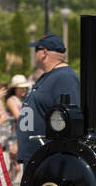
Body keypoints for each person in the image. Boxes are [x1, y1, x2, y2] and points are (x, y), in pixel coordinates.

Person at [17, 34, 82, 165]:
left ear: (44, 53)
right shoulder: (48, 75)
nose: (34, 55)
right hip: (34, 157)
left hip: (47, 159)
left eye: (36, 50)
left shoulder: (65, 77)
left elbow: (68, 122)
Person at [3, 74, 29, 178]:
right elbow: (18, 116)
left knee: (15, 166)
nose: (24, 89)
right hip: (12, 136)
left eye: (25, 87)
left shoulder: (24, 99)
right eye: (20, 87)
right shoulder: (11, 100)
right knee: (16, 166)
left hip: (19, 135)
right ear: (14, 88)